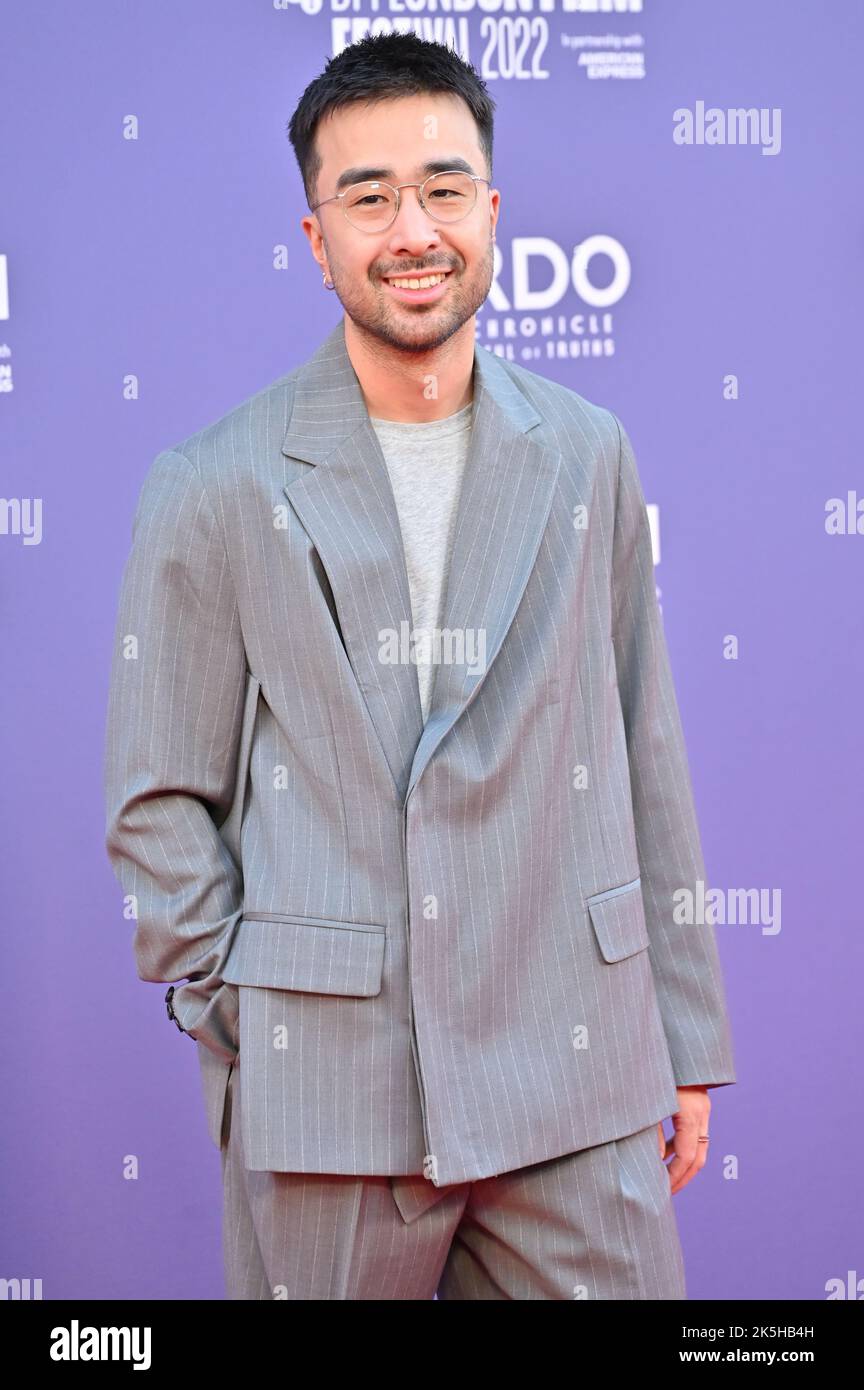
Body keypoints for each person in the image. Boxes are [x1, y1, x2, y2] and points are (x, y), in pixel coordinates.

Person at [103, 32, 736, 1300]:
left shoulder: (584, 452)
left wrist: (686, 1031)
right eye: (369, 194)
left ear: (492, 210)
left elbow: (638, 742)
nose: (415, 228)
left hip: (578, 1080)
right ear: (316, 233)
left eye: (444, 187)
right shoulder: (216, 484)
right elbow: (158, 801)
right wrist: (244, 1018)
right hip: (330, 1093)